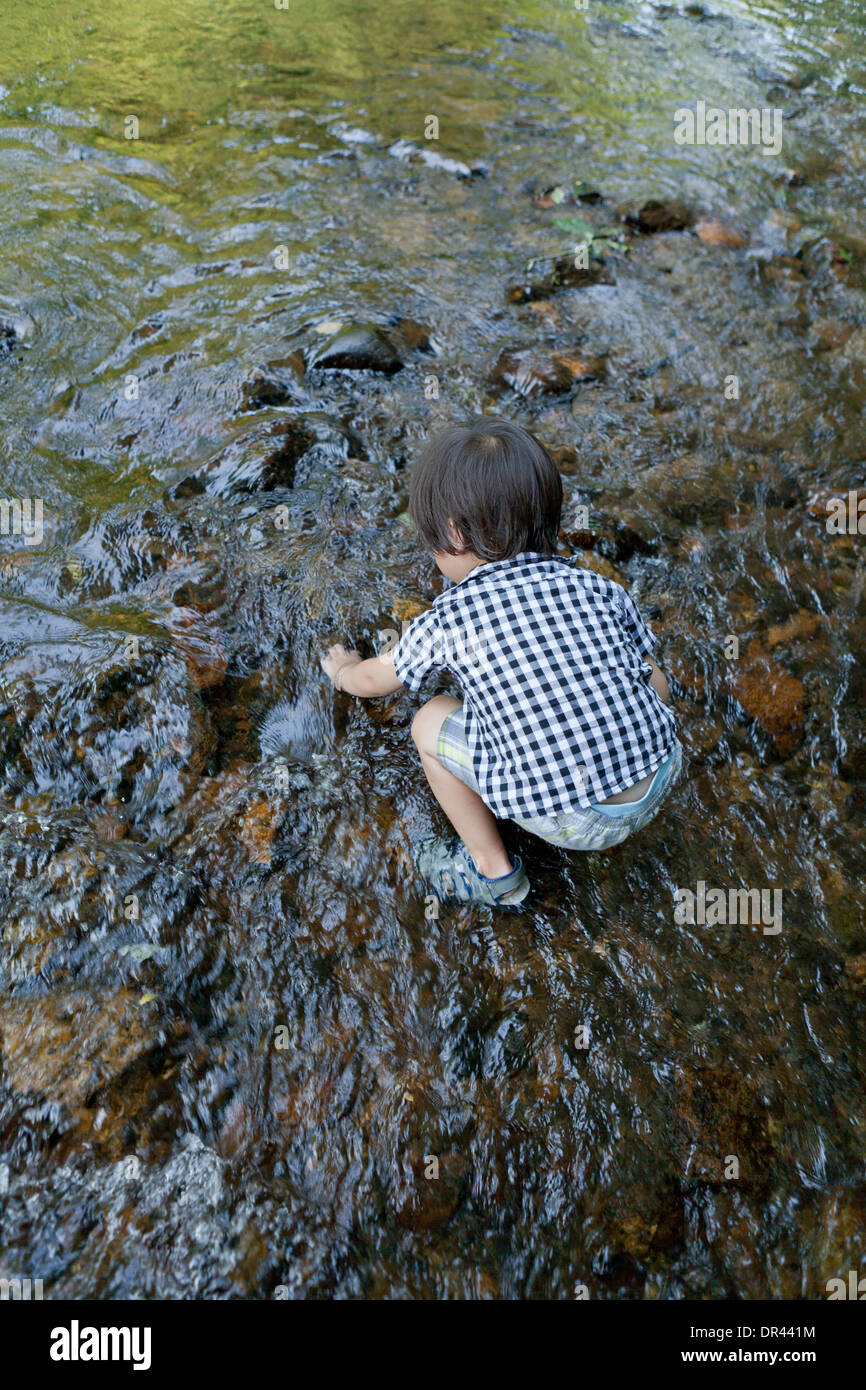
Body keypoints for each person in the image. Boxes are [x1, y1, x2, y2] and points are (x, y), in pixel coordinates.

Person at [321, 416, 681, 908]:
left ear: (453, 533)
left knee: (429, 721)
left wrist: (342, 672)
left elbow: (374, 679)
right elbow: (650, 675)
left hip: (573, 822)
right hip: (660, 772)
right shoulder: (598, 587)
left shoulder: (449, 618)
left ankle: (496, 875)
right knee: (641, 669)